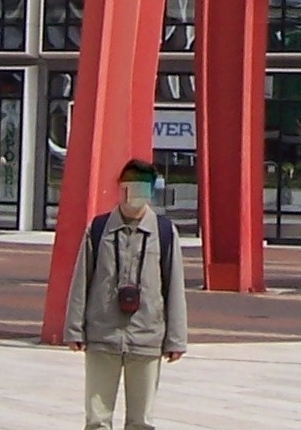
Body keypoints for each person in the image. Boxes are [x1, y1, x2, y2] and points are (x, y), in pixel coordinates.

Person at [64, 157, 188, 430]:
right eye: (129, 186)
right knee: (97, 419)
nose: (134, 195)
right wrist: (74, 330)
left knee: (141, 421)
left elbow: (174, 286)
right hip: (103, 335)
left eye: (141, 188)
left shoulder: (164, 232)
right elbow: (82, 279)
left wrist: (176, 339)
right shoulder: (99, 229)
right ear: (120, 187)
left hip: (146, 337)